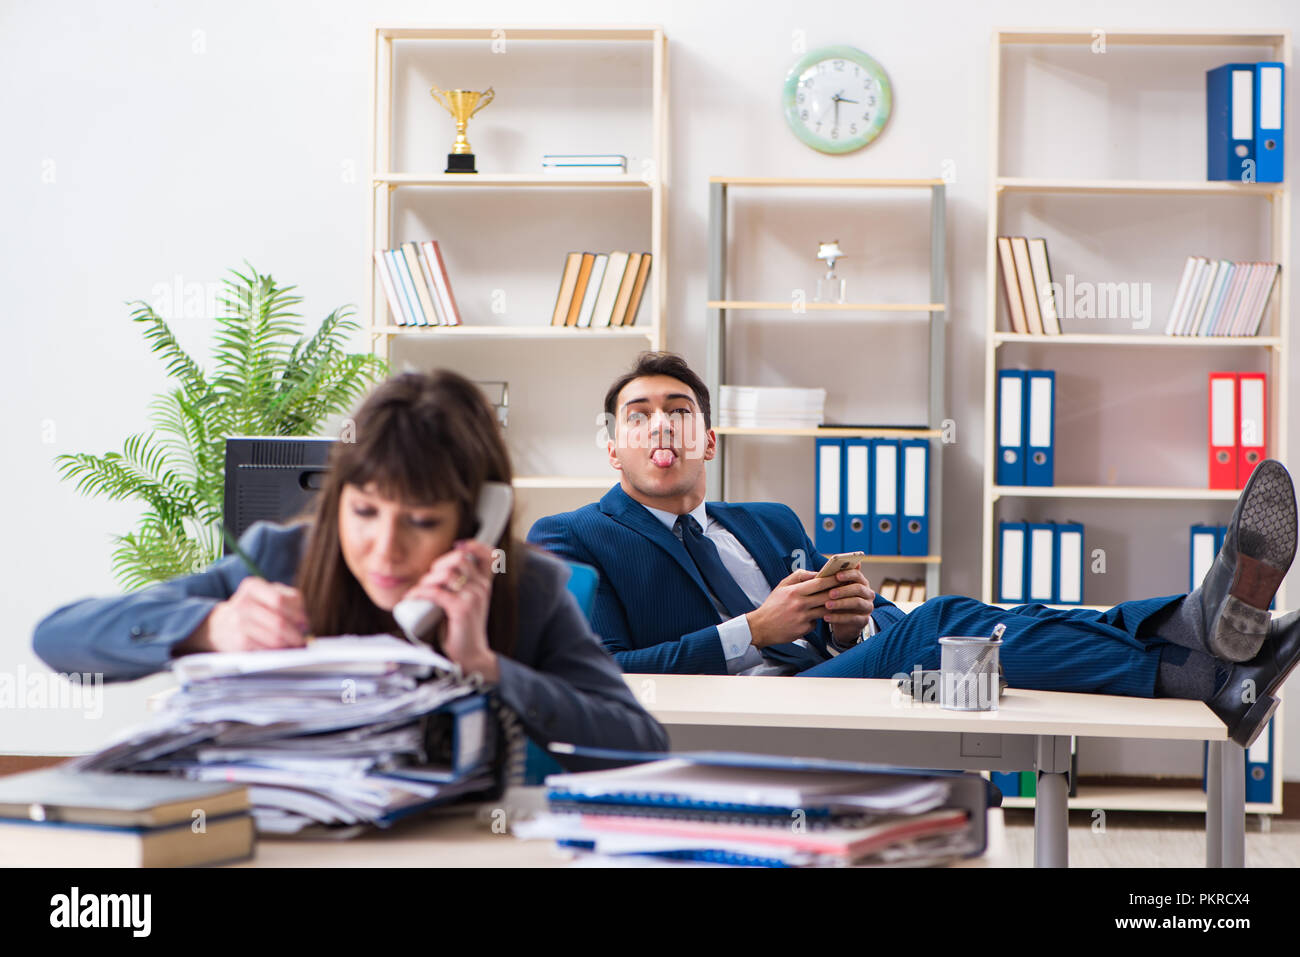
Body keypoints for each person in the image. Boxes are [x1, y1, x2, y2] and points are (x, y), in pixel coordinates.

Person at [527, 352, 1300, 749]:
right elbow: (599, 675)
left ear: (709, 439)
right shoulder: (568, 536)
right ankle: (1197, 655)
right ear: (611, 448)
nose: (660, 426)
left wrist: (850, 624)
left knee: (990, 622)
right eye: (637, 415)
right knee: (947, 622)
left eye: (679, 410)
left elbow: (863, 633)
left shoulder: (765, 518)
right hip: (745, 708)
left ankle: (1203, 651)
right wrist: (752, 633)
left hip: (827, 682)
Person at [33, 370, 668, 766]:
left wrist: (486, 668)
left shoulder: (526, 590)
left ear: (476, 521)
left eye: (420, 522)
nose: (384, 549)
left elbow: (640, 744)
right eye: (364, 512)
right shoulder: (283, 560)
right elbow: (59, 640)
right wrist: (208, 627)